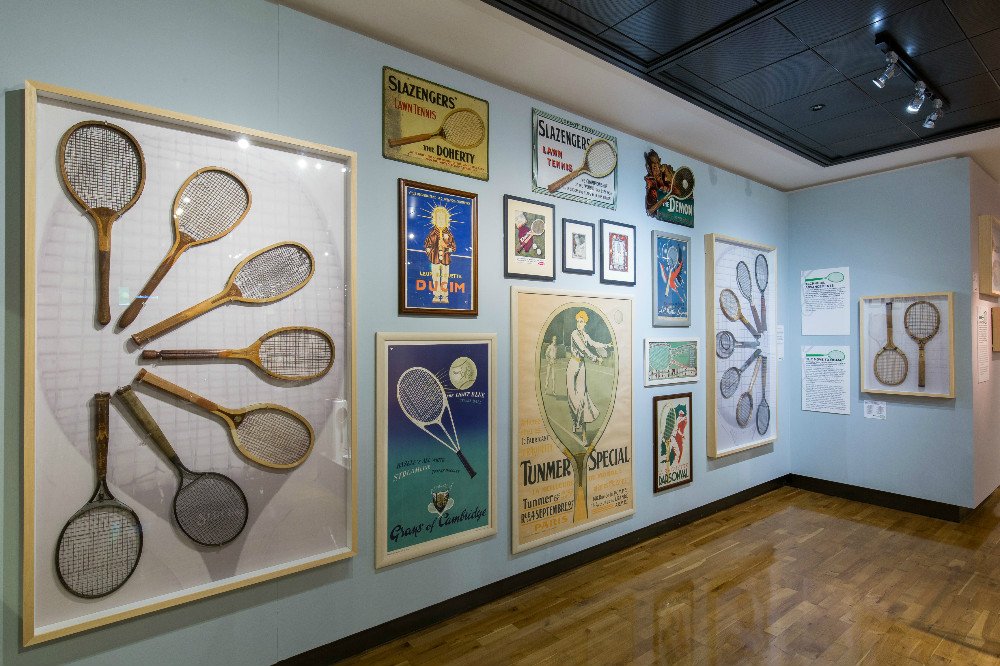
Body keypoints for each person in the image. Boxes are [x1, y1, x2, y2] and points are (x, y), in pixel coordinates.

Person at [566, 311, 613, 444]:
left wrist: (607, 345)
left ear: (585, 323)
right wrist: (595, 358)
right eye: (578, 321)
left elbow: (594, 344)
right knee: (572, 399)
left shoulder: (585, 335)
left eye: (581, 322)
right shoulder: (574, 334)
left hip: (581, 366)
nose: (579, 324)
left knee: (583, 398)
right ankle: (575, 422)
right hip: (572, 366)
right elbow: (583, 349)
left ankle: (584, 436)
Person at [423, 206, 457, 303]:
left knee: (445, 277)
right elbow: (427, 245)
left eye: (443, 218)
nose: (441, 220)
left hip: (446, 260)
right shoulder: (432, 233)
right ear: (434, 219)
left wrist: (446, 246)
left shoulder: (449, 234)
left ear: (447, 220)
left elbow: (453, 248)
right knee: (435, 277)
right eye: (439, 218)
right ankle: (436, 296)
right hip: (435, 259)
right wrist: (429, 251)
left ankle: (445, 296)